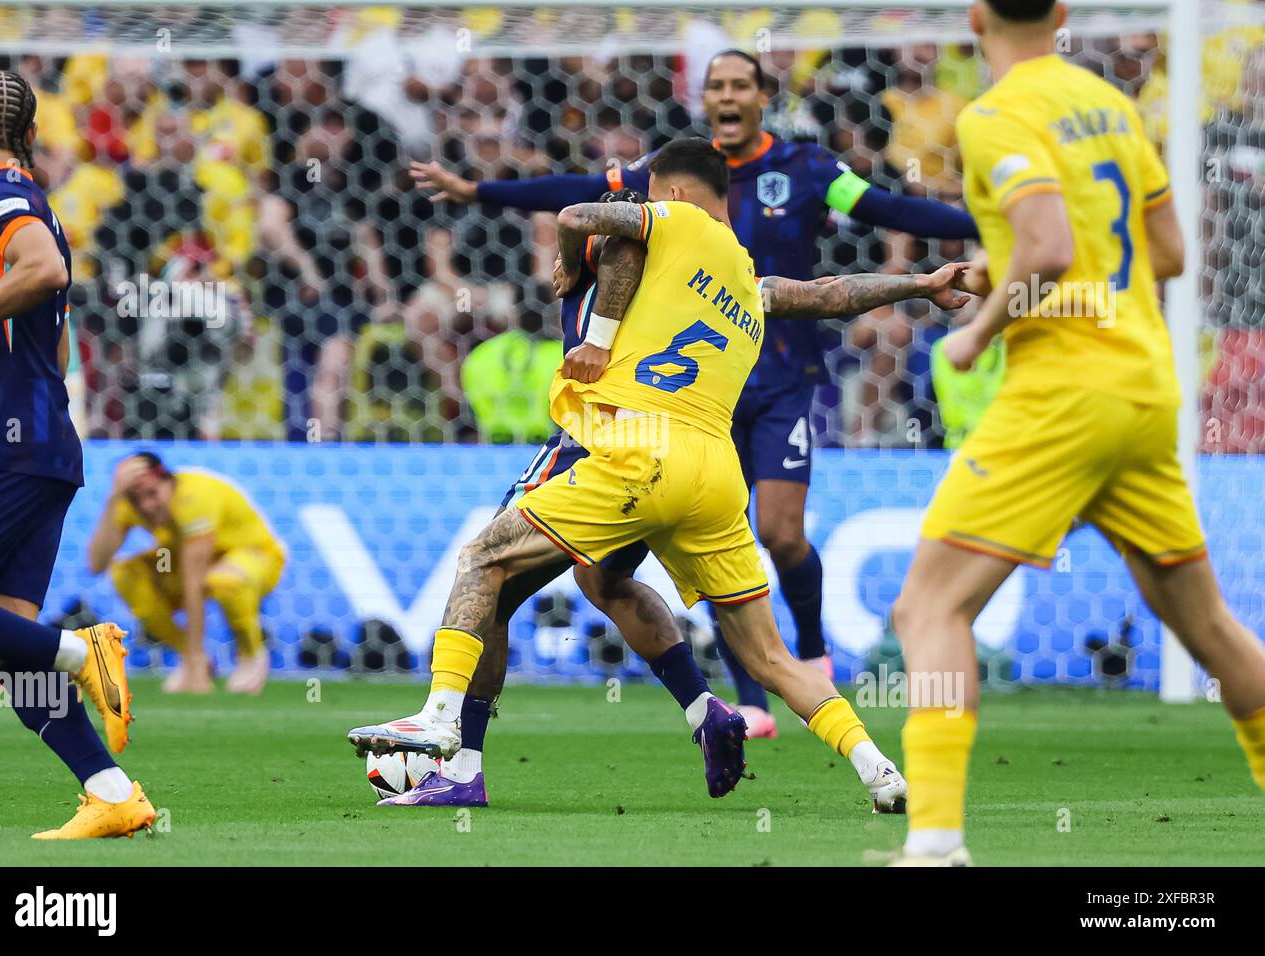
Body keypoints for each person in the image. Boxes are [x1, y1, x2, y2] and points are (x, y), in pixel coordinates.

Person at [351, 138, 974, 811]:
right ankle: (880, 771)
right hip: (715, 472)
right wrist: (921, 284)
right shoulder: (745, 278)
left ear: (672, 193)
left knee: (483, 560)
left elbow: (576, 216)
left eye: (649, 194)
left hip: (639, 448)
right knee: (765, 655)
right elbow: (832, 294)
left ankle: (442, 721)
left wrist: (568, 275)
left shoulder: (673, 221)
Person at [889, 0, 1265, 867]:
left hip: (1063, 391)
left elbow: (1051, 246)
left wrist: (982, 327)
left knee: (930, 606)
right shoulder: (1113, 106)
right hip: (1142, 390)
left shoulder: (993, 116)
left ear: (974, 18)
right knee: (1210, 628)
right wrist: (1010, 266)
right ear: (1060, 13)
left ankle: (936, 841)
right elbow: (1167, 252)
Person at [373, 189, 752, 808]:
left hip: (592, 437)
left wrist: (586, 279)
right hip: (657, 443)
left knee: (488, 580)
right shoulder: (683, 275)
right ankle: (703, 708)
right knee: (605, 583)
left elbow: (615, 236)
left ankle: (458, 759)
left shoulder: (621, 250)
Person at [0, 70, 153, 839]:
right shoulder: (29, 195)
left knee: (35, 649)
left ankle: (85, 651)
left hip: (13, 448)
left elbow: (44, 271)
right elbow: (58, 333)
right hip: (39, 443)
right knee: (9, 650)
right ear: (34, 130)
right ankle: (112, 793)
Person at [88, 452, 287, 695]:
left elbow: (194, 583)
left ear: (169, 481)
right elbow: (97, 564)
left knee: (223, 581)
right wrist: (113, 500)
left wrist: (194, 668)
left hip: (254, 557)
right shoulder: (128, 503)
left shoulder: (194, 497)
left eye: (152, 494)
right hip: (179, 562)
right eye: (134, 498)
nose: (146, 506)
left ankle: (251, 654)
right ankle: (192, 656)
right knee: (124, 574)